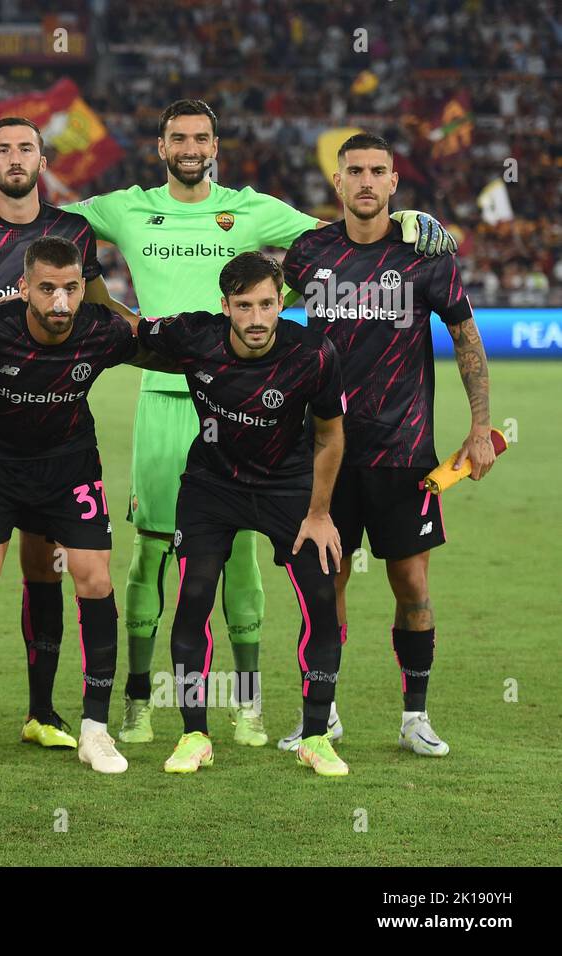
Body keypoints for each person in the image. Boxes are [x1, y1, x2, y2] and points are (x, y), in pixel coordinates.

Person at [0, 99, 457, 748]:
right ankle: (134, 702)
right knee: (153, 553)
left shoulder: (254, 207)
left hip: (243, 403)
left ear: (216, 145)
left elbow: (338, 234)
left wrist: (405, 216)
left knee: (239, 559)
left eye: (201, 137)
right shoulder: (126, 207)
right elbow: (44, 215)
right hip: (162, 399)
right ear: (160, 146)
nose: (190, 146)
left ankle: (248, 705)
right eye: (178, 137)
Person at [0, 116, 131, 751]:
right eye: (3, 149)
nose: (16, 158)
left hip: (61, 441)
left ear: (43, 158)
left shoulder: (72, 230)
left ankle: (43, 711)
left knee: (49, 570)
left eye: (26, 148)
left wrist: (148, 330)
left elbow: (94, 307)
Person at [280, 132, 495, 756]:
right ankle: (322, 717)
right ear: (338, 183)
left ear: (394, 184)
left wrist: (481, 425)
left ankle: (415, 718)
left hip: (405, 454)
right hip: (326, 453)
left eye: (379, 171)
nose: (367, 181)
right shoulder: (308, 253)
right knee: (326, 586)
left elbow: (467, 339)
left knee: (413, 588)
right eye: (356, 171)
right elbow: (258, 303)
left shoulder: (425, 257)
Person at [0, 236, 158, 775]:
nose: (60, 302)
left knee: (94, 580)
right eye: (48, 289)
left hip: (67, 466)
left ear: (85, 289)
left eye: (71, 289)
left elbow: (170, 345)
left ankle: (96, 731)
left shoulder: (101, 331)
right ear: (23, 288)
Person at [132, 251, 350, 777]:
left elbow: (330, 434)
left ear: (282, 303)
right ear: (225, 305)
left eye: (268, 305)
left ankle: (316, 737)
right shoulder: (192, 335)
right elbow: (126, 331)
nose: (257, 318)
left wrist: (319, 513)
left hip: (287, 486)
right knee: (195, 597)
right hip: (211, 485)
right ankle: (193, 735)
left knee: (321, 598)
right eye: (245, 305)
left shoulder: (313, 354)